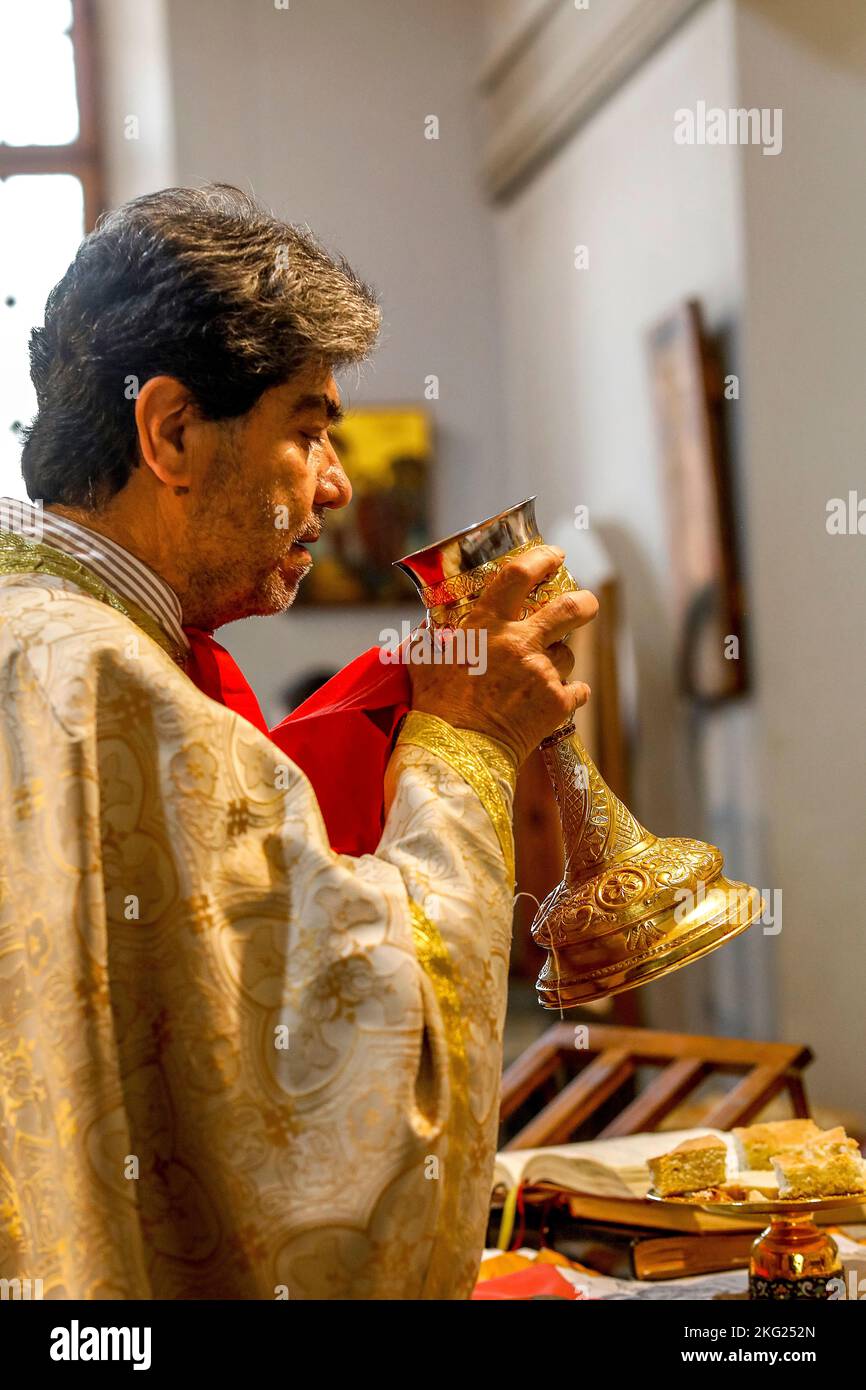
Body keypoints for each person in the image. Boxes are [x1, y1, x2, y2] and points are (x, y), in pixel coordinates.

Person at [0, 184, 597, 1300]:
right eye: (311, 429)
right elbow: (340, 1096)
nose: (335, 482)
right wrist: (461, 745)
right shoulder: (117, 689)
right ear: (170, 430)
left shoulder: (45, 643)